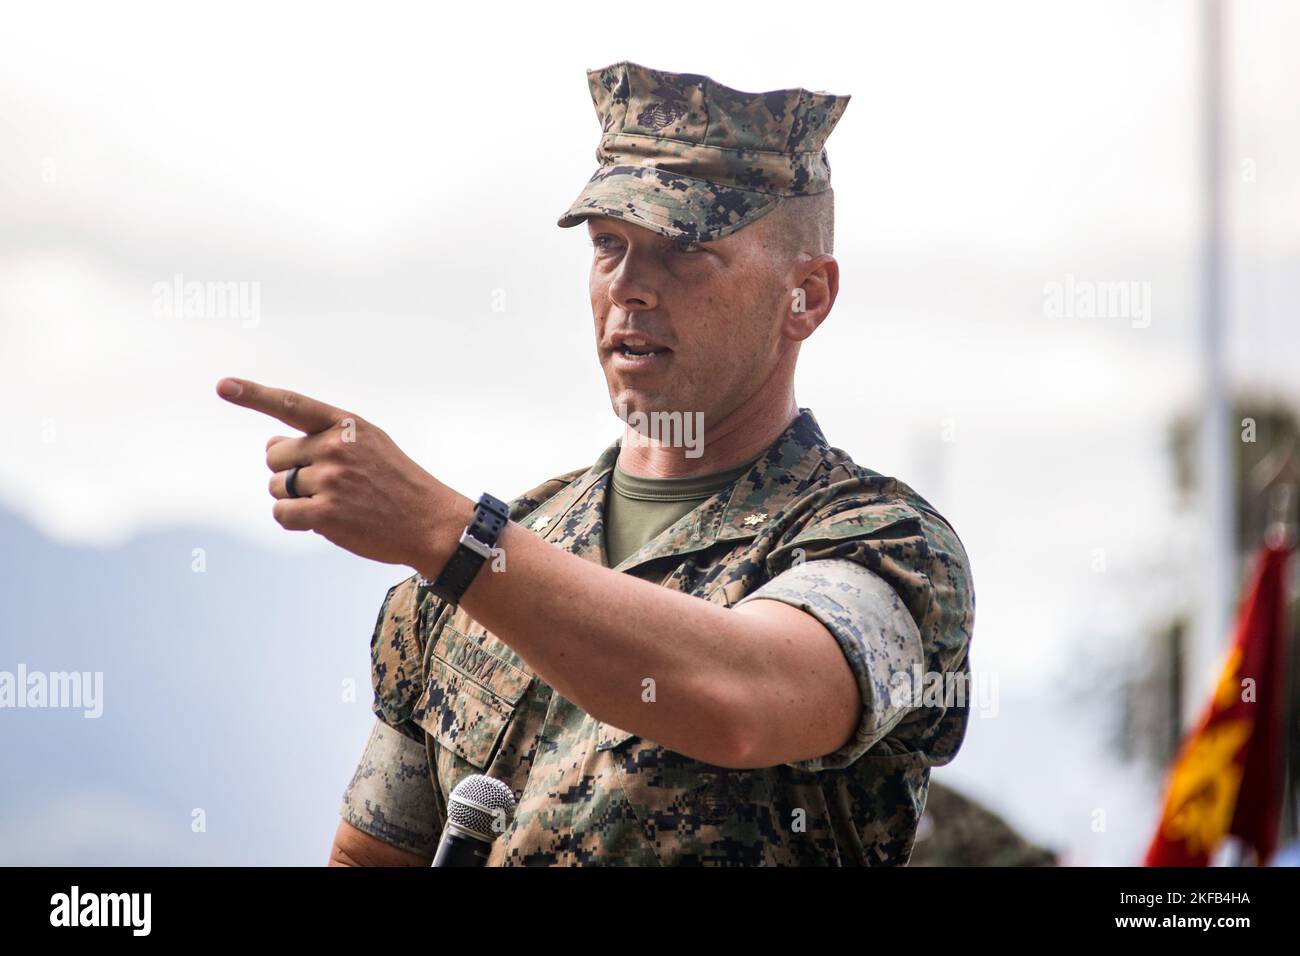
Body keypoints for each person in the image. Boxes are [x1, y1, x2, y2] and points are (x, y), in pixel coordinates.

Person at [217, 60, 975, 866]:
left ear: (807, 296)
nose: (631, 287)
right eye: (609, 245)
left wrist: (445, 535)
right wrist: (455, 548)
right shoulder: (474, 574)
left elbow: (744, 701)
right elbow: (371, 857)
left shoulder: (888, 548)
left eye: (685, 251)